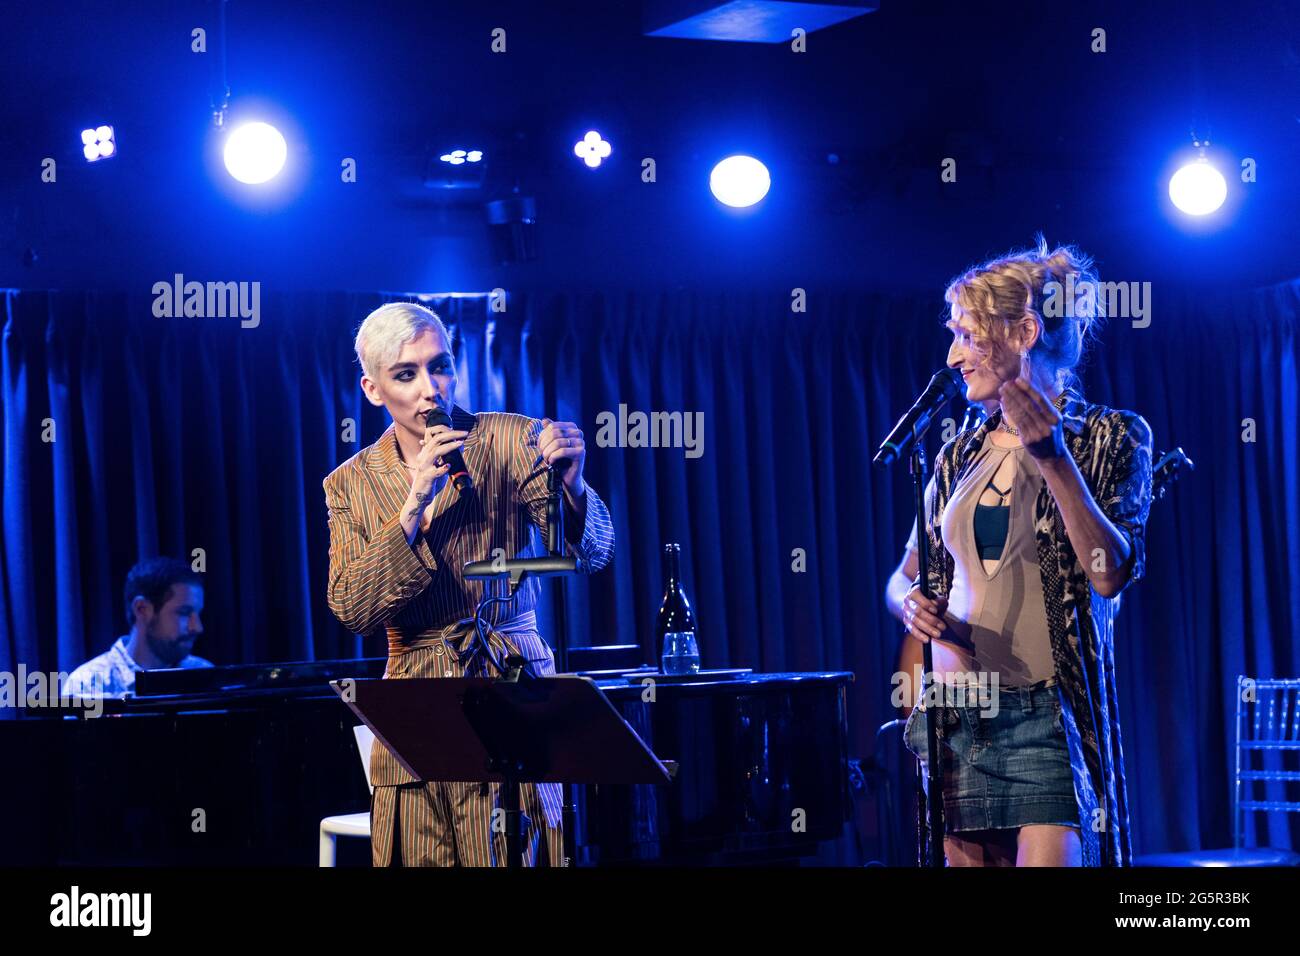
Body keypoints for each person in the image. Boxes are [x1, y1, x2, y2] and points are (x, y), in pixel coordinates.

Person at [323, 301, 614, 867]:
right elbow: (352, 608)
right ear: (373, 389)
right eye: (406, 374)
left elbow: (594, 553)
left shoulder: (509, 441)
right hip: (417, 692)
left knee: (519, 846)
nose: (430, 388)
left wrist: (575, 487)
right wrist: (414, 507)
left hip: (511, 679)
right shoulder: (350, 484)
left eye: (441, 366)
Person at [900, 239, 1152, 867]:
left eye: (967, 335)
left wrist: (1053, 457)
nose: (954, 356)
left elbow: (1110, 574)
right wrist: (914, 605)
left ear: (1025, 332)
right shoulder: (956, 454)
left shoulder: (1109, 437)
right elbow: (917, 576)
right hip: (958, 711)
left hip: (1043, 710)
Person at [65, 556, 211, 697]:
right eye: (184, 613)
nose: (197, 627)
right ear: (142, 609)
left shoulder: (203, 674)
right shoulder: (88, 686)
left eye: (198, 614)